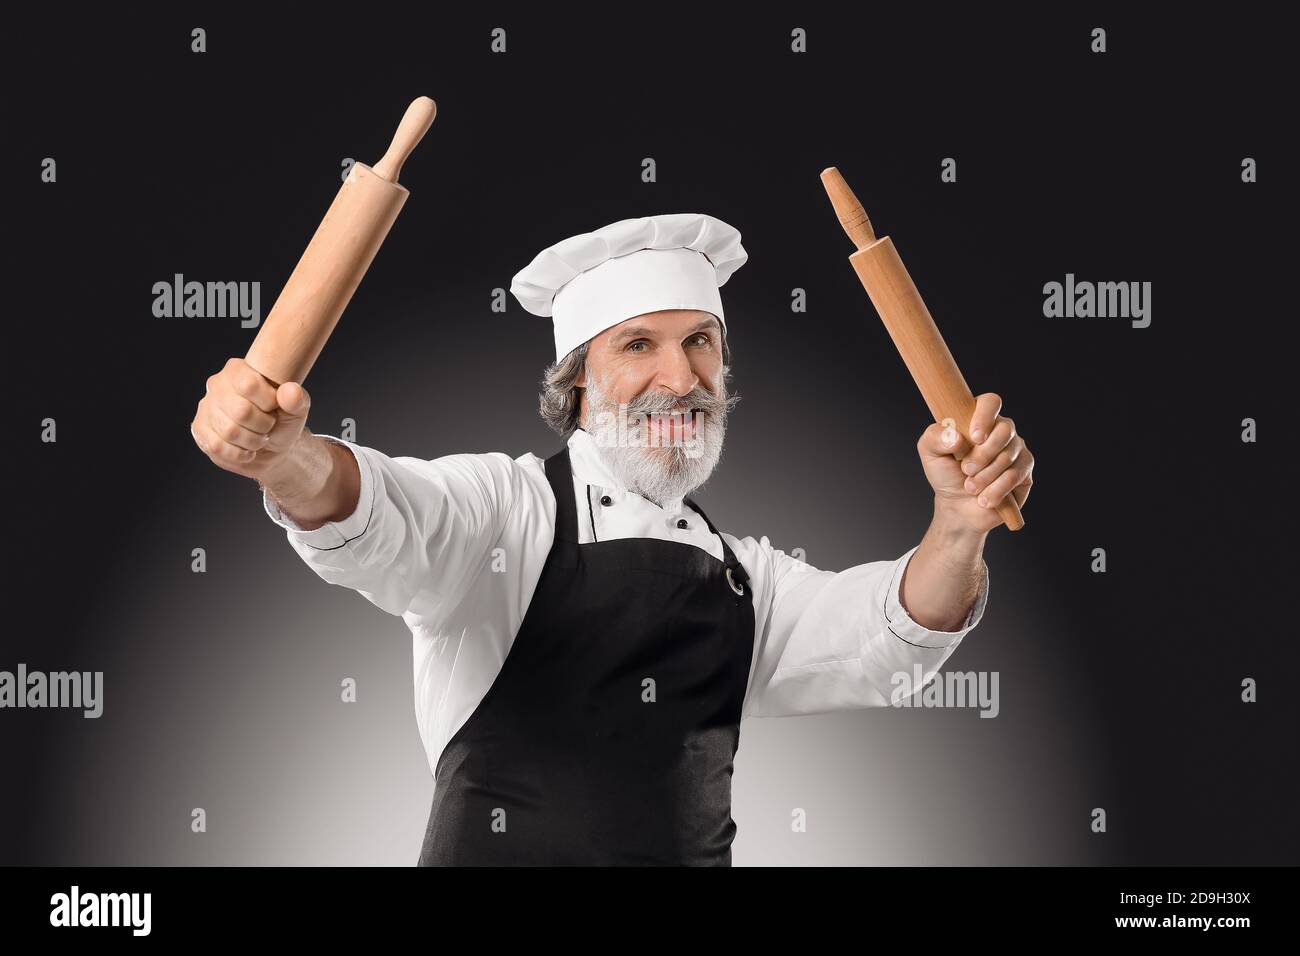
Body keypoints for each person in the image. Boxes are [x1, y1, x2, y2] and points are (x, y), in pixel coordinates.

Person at [189, 213, 1035, 866]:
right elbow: (379, 512)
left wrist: (958, 525)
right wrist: (286, 457)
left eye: (700, 342)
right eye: (639, 345)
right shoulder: (507, 513)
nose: (682, 378)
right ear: (579, 382)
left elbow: (890, 635)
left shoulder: (745, 580)